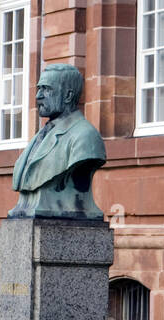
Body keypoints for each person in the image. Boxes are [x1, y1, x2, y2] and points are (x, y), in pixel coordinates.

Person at [8, 63, 106, 219]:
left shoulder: (85, 137)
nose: (38, 96)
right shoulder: (41, 135)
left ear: (68, 96)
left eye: (46, 89)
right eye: (39, 88)